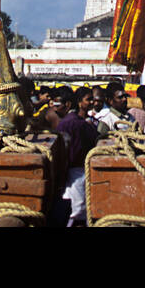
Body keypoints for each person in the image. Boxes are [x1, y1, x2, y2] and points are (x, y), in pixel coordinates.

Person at [56, 87, 100, 226]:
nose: (92, 102)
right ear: (80, 102)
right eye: (88, 99)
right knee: (77, 210)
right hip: (76, 172)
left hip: (76, 171)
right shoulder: (76, 123)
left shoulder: (78, 121)